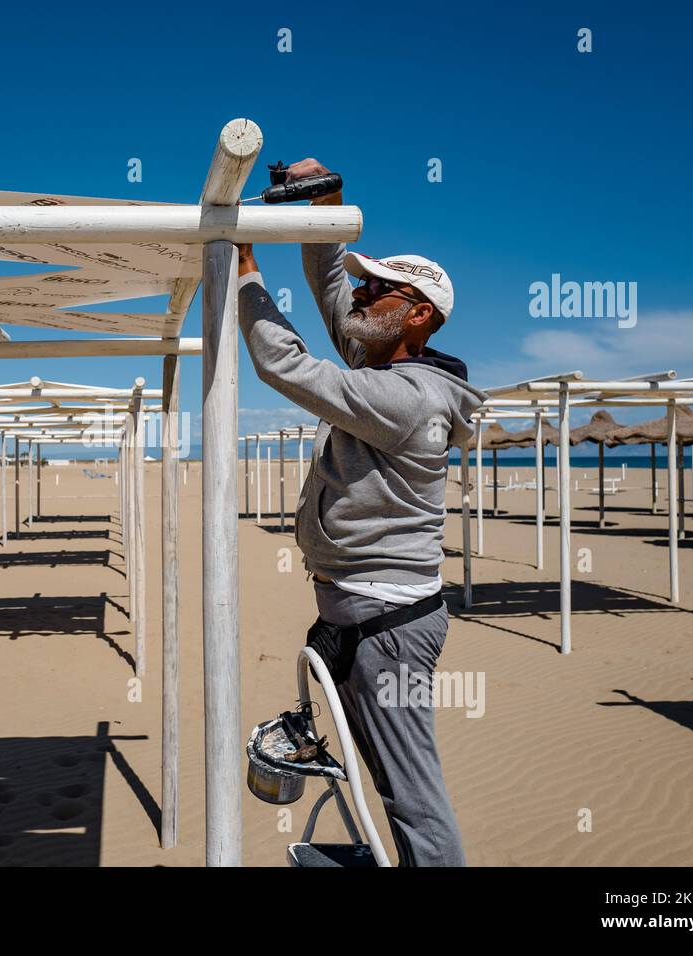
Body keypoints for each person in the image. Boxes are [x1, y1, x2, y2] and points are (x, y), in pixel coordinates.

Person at [236, 158, 486, 866]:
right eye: (367, 282)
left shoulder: (405, 398)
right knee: (381, 779)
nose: (364, 294)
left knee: (411, 794)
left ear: (418, 316)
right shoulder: (390, 366)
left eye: (381, 290)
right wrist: (327, 206)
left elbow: (284, 364)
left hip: (387, 632)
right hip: (362, 622)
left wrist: (246, 265)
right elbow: (331, 289)